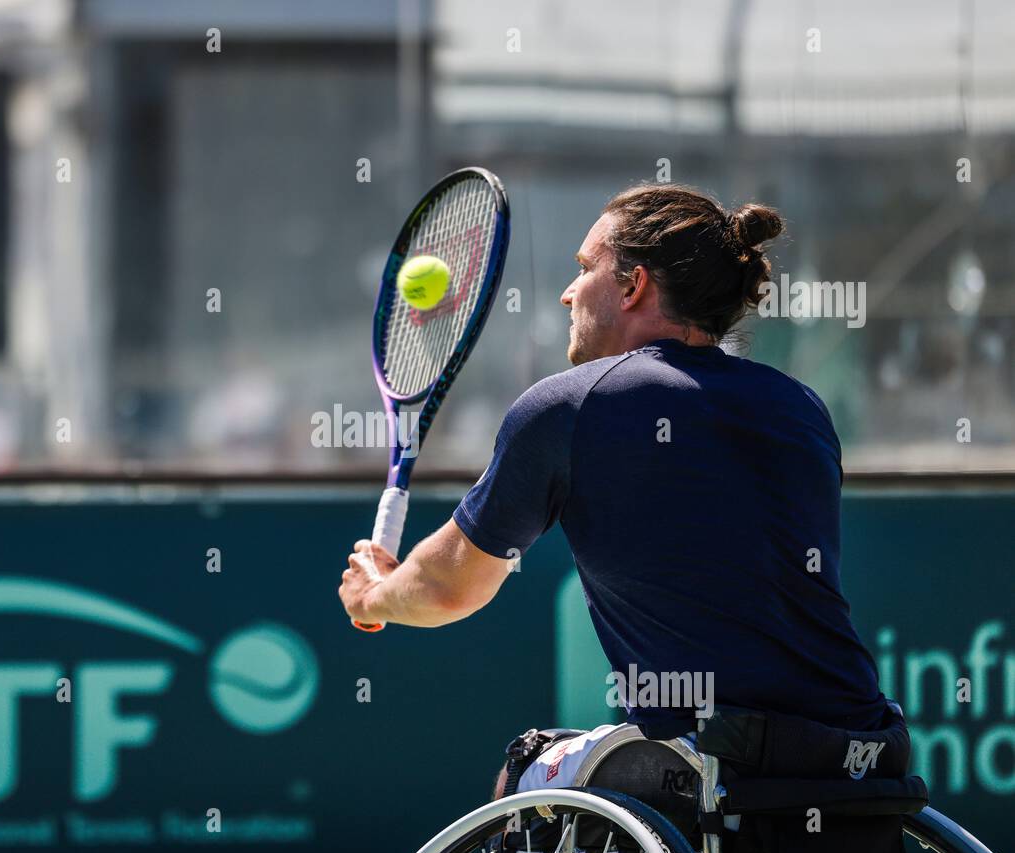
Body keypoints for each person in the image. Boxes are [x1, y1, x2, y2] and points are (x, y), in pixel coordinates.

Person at [338, 183, 896, 812]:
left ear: (633, 286)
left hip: (714, 764)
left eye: (584, 269)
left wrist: (374, 593)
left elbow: (448, 588)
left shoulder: (570, 405)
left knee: (524, 777)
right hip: (859, 758)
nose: (567, 292)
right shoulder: (801, 408)